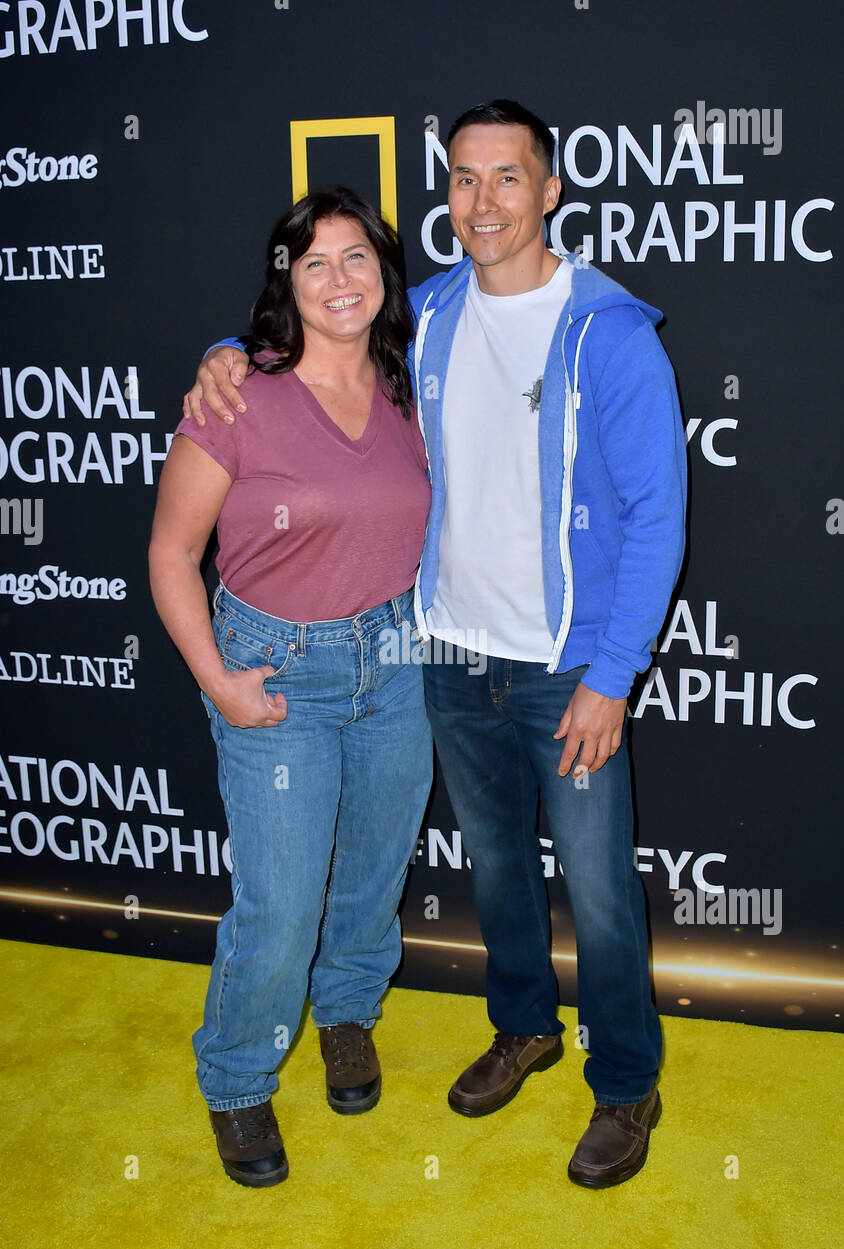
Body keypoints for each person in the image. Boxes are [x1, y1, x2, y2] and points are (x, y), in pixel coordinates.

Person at [185, 99, 687, 1189]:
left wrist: (611, 674)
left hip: (564, 669)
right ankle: (523, 1027)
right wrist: (225, 351)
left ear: (548, 190)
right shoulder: (436, 311)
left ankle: (625, 1083)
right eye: (462, 179)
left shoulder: (609, 331)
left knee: (597, 886)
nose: (483, 201)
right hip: (446, 655)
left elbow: (656, 516)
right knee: (501, 870)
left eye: (507, 178)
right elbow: (313, 323)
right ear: (445, 194)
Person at [149, 187, 433, 1188]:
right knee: (277, 902)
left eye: (356, 257)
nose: (338, 278)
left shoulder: (411, 384)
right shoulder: (237, 398)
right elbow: (172, 555)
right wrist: (219, 681)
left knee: (370, 873)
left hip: (397, 661)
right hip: (279, 669)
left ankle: (346, 1011)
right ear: (286, 282)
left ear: (383, 274)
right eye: (313, 262)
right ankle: (235, 1077)